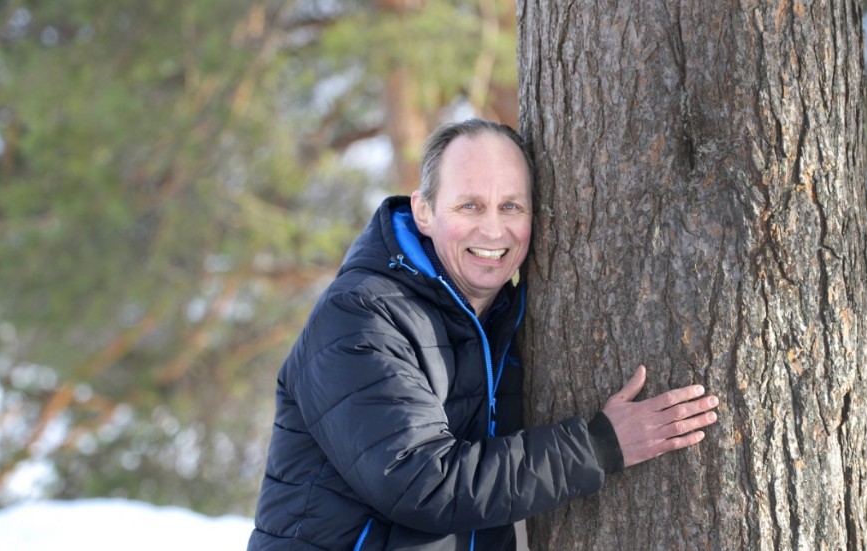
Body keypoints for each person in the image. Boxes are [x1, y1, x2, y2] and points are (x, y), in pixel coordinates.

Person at [248, 119, 720, 550]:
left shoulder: (504, 320)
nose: (493, 229)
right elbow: (423, 483)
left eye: (511, 206)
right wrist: (597, 446)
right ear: (425, 211)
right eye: (470, 205)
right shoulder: (361, 316)